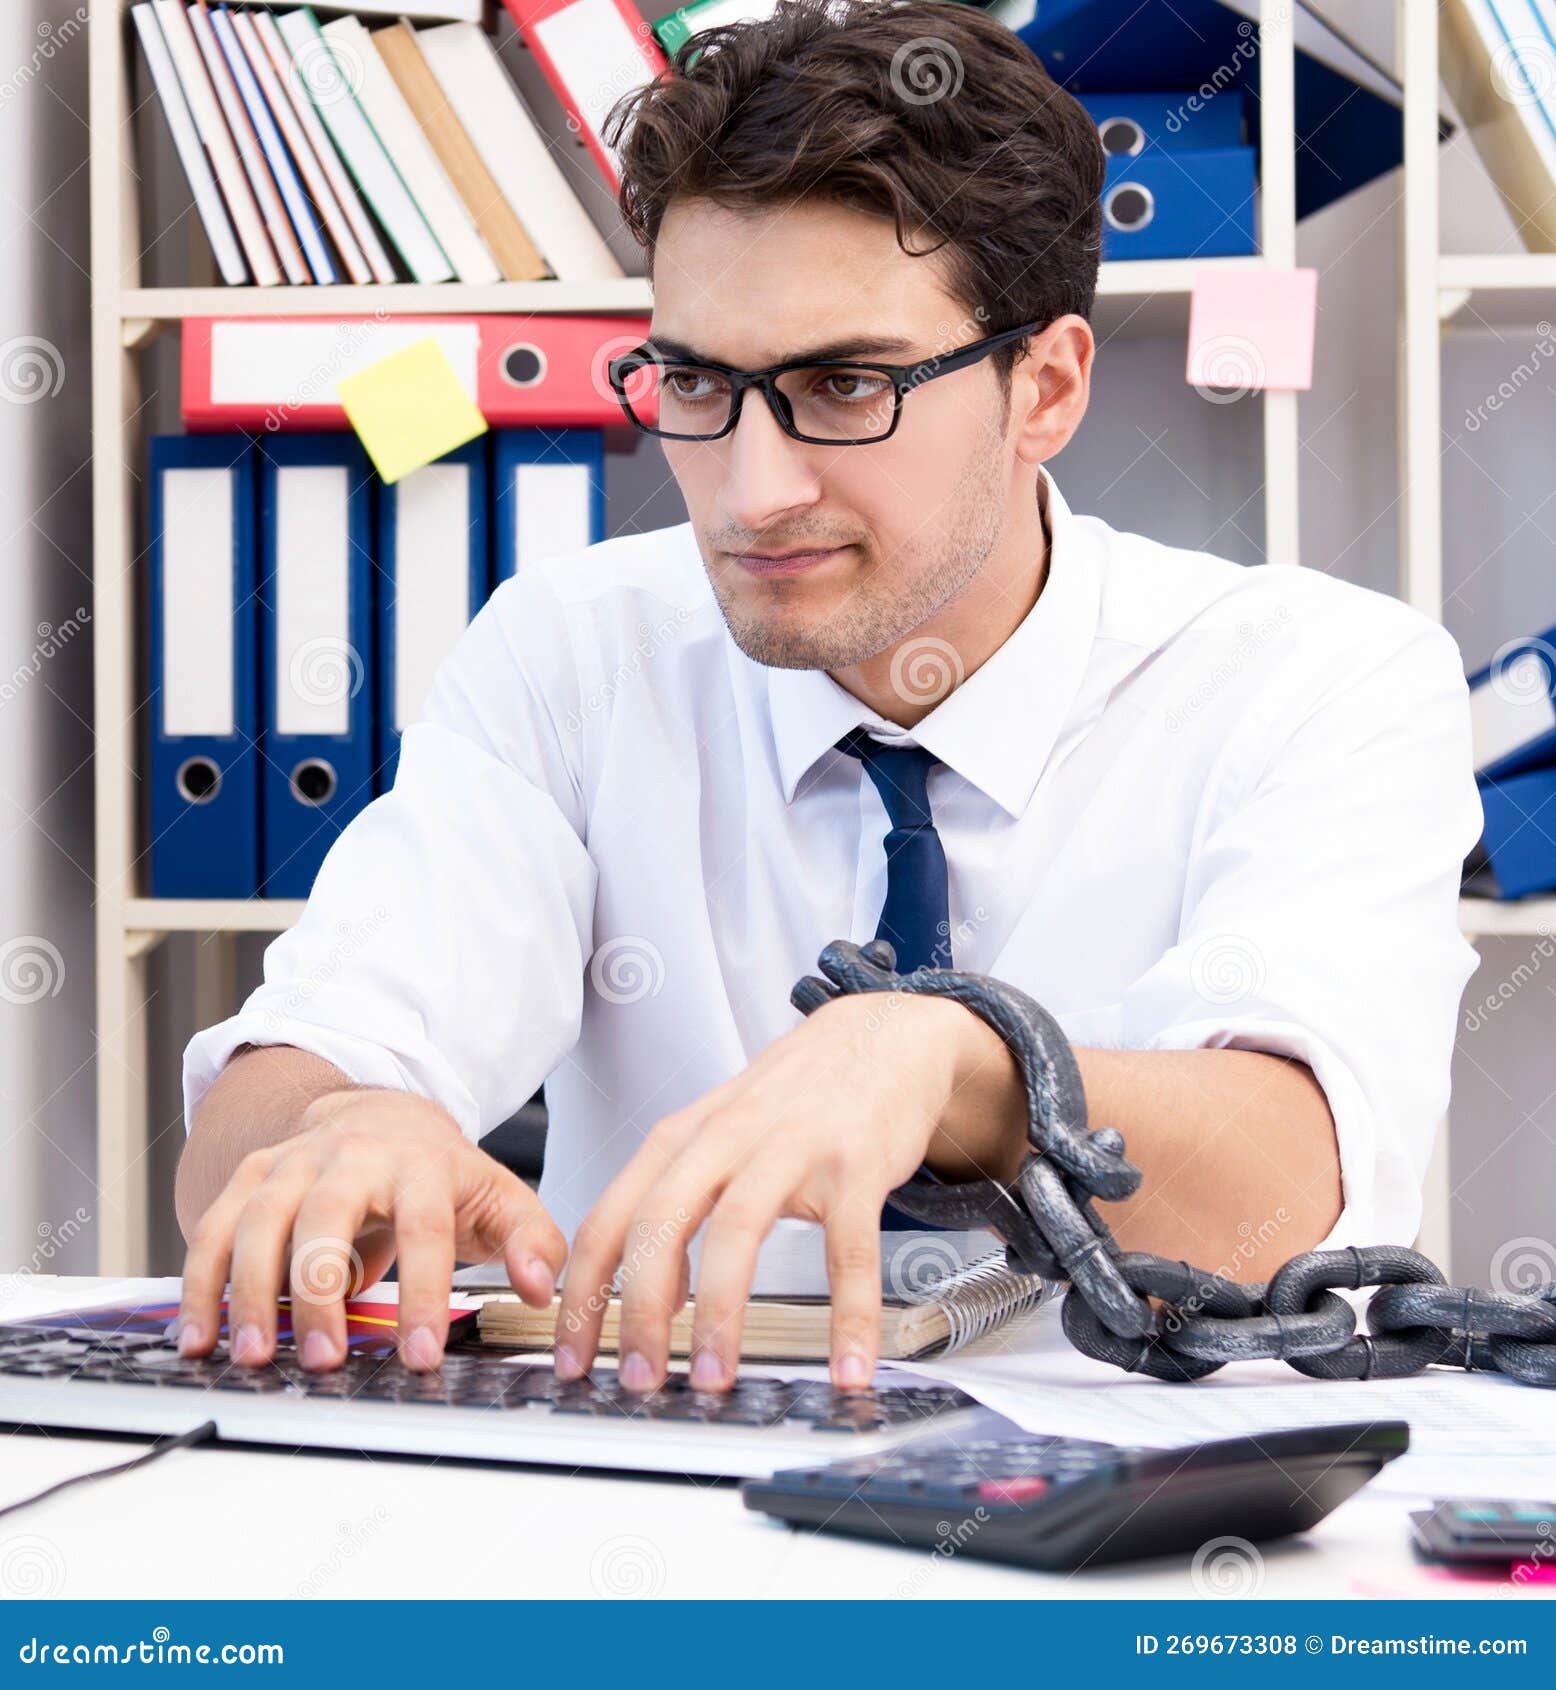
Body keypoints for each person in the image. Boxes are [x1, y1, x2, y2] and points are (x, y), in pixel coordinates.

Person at [174, 0, 1481, 1395]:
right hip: (669, 1491)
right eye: (693, 381)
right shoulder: (570, 651)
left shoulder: (1325, 677)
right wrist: (341, 1122)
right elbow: (248, 1119)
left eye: (845, 383)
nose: (751, 492)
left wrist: (954, 1065)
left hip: (1162, 1512)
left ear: (1044, 387)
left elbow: (1291, 1196)